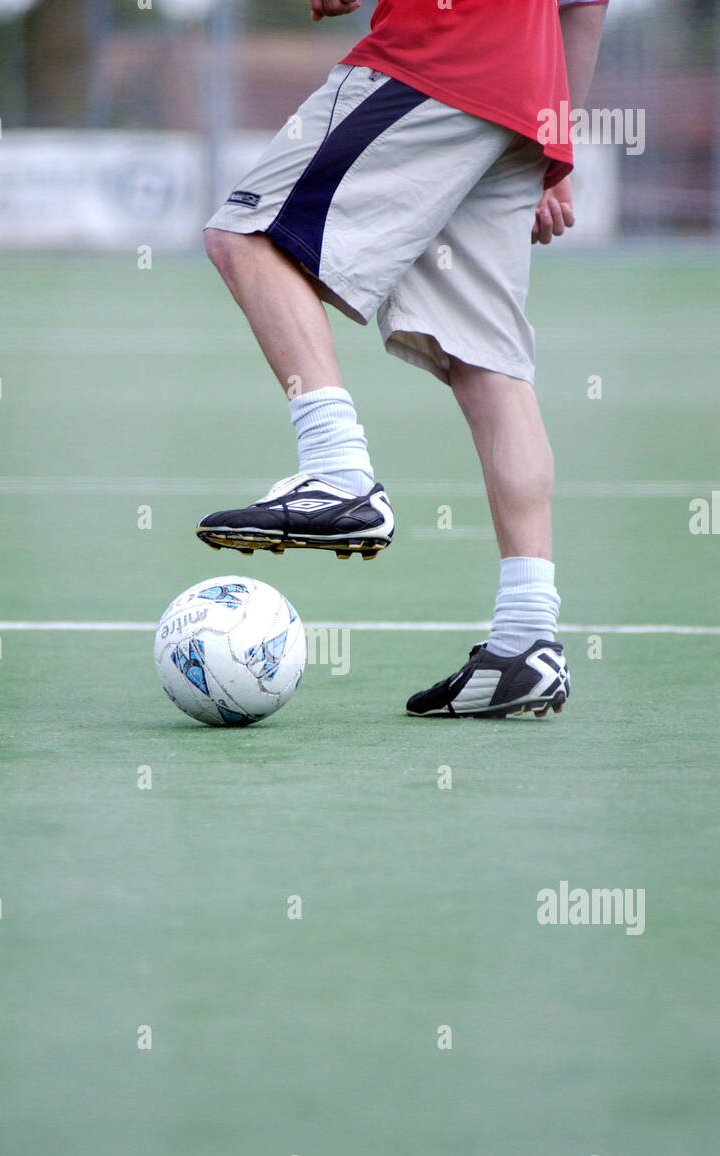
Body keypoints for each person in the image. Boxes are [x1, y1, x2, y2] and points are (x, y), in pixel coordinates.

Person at [197, 0, 609, 718]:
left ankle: (337, 472)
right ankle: (525, 641)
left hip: (440, 57)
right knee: (486, 360)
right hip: (523, 99)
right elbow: (585, 5)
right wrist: (554, 142)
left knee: (247, 232)